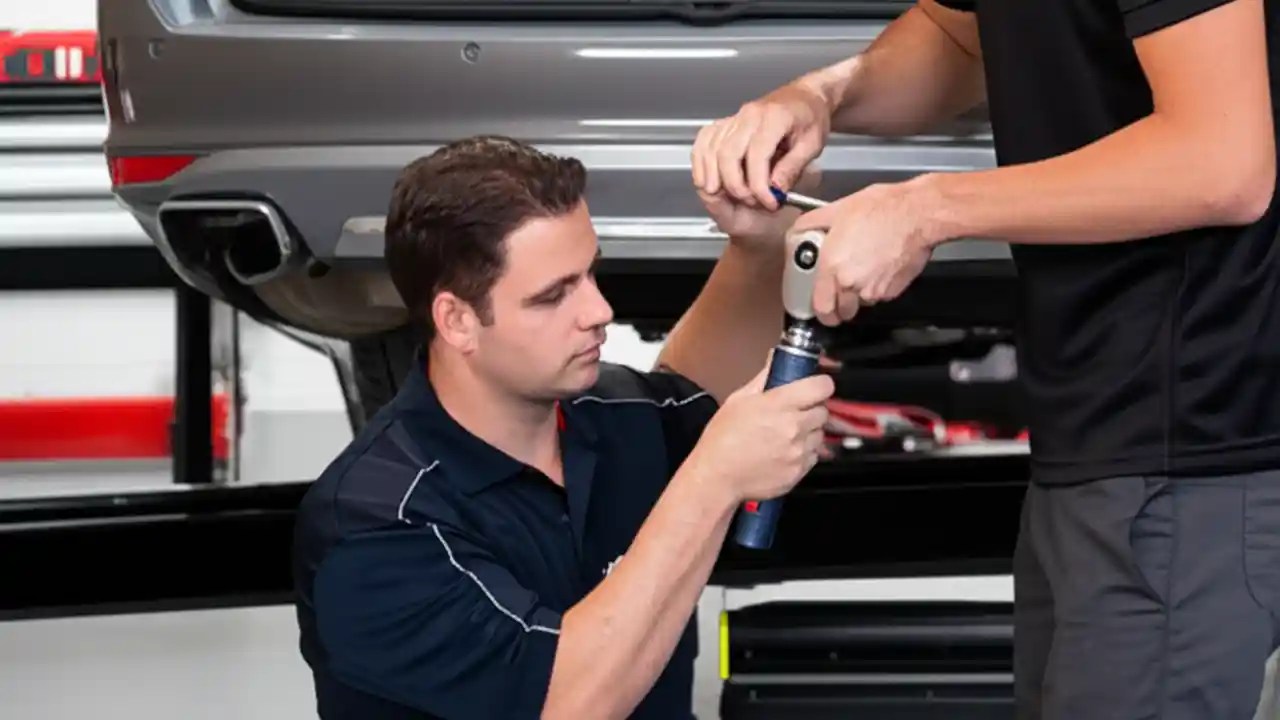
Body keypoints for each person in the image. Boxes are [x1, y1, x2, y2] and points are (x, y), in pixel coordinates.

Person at [693, 0, 1280, 717]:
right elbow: (960, 35)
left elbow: (1223, 160)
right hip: (1086, 430)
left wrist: (927, 210)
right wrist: (822, 94)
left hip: (1182, 439)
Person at [291, 135, 834, 719]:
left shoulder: (611, 416)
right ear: (458, 321)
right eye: (553, 296)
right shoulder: (376, 534)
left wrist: (757, 246)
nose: (600, 311)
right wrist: (713, 481)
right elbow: (569, 704)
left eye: (590, 275)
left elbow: (696, 391)